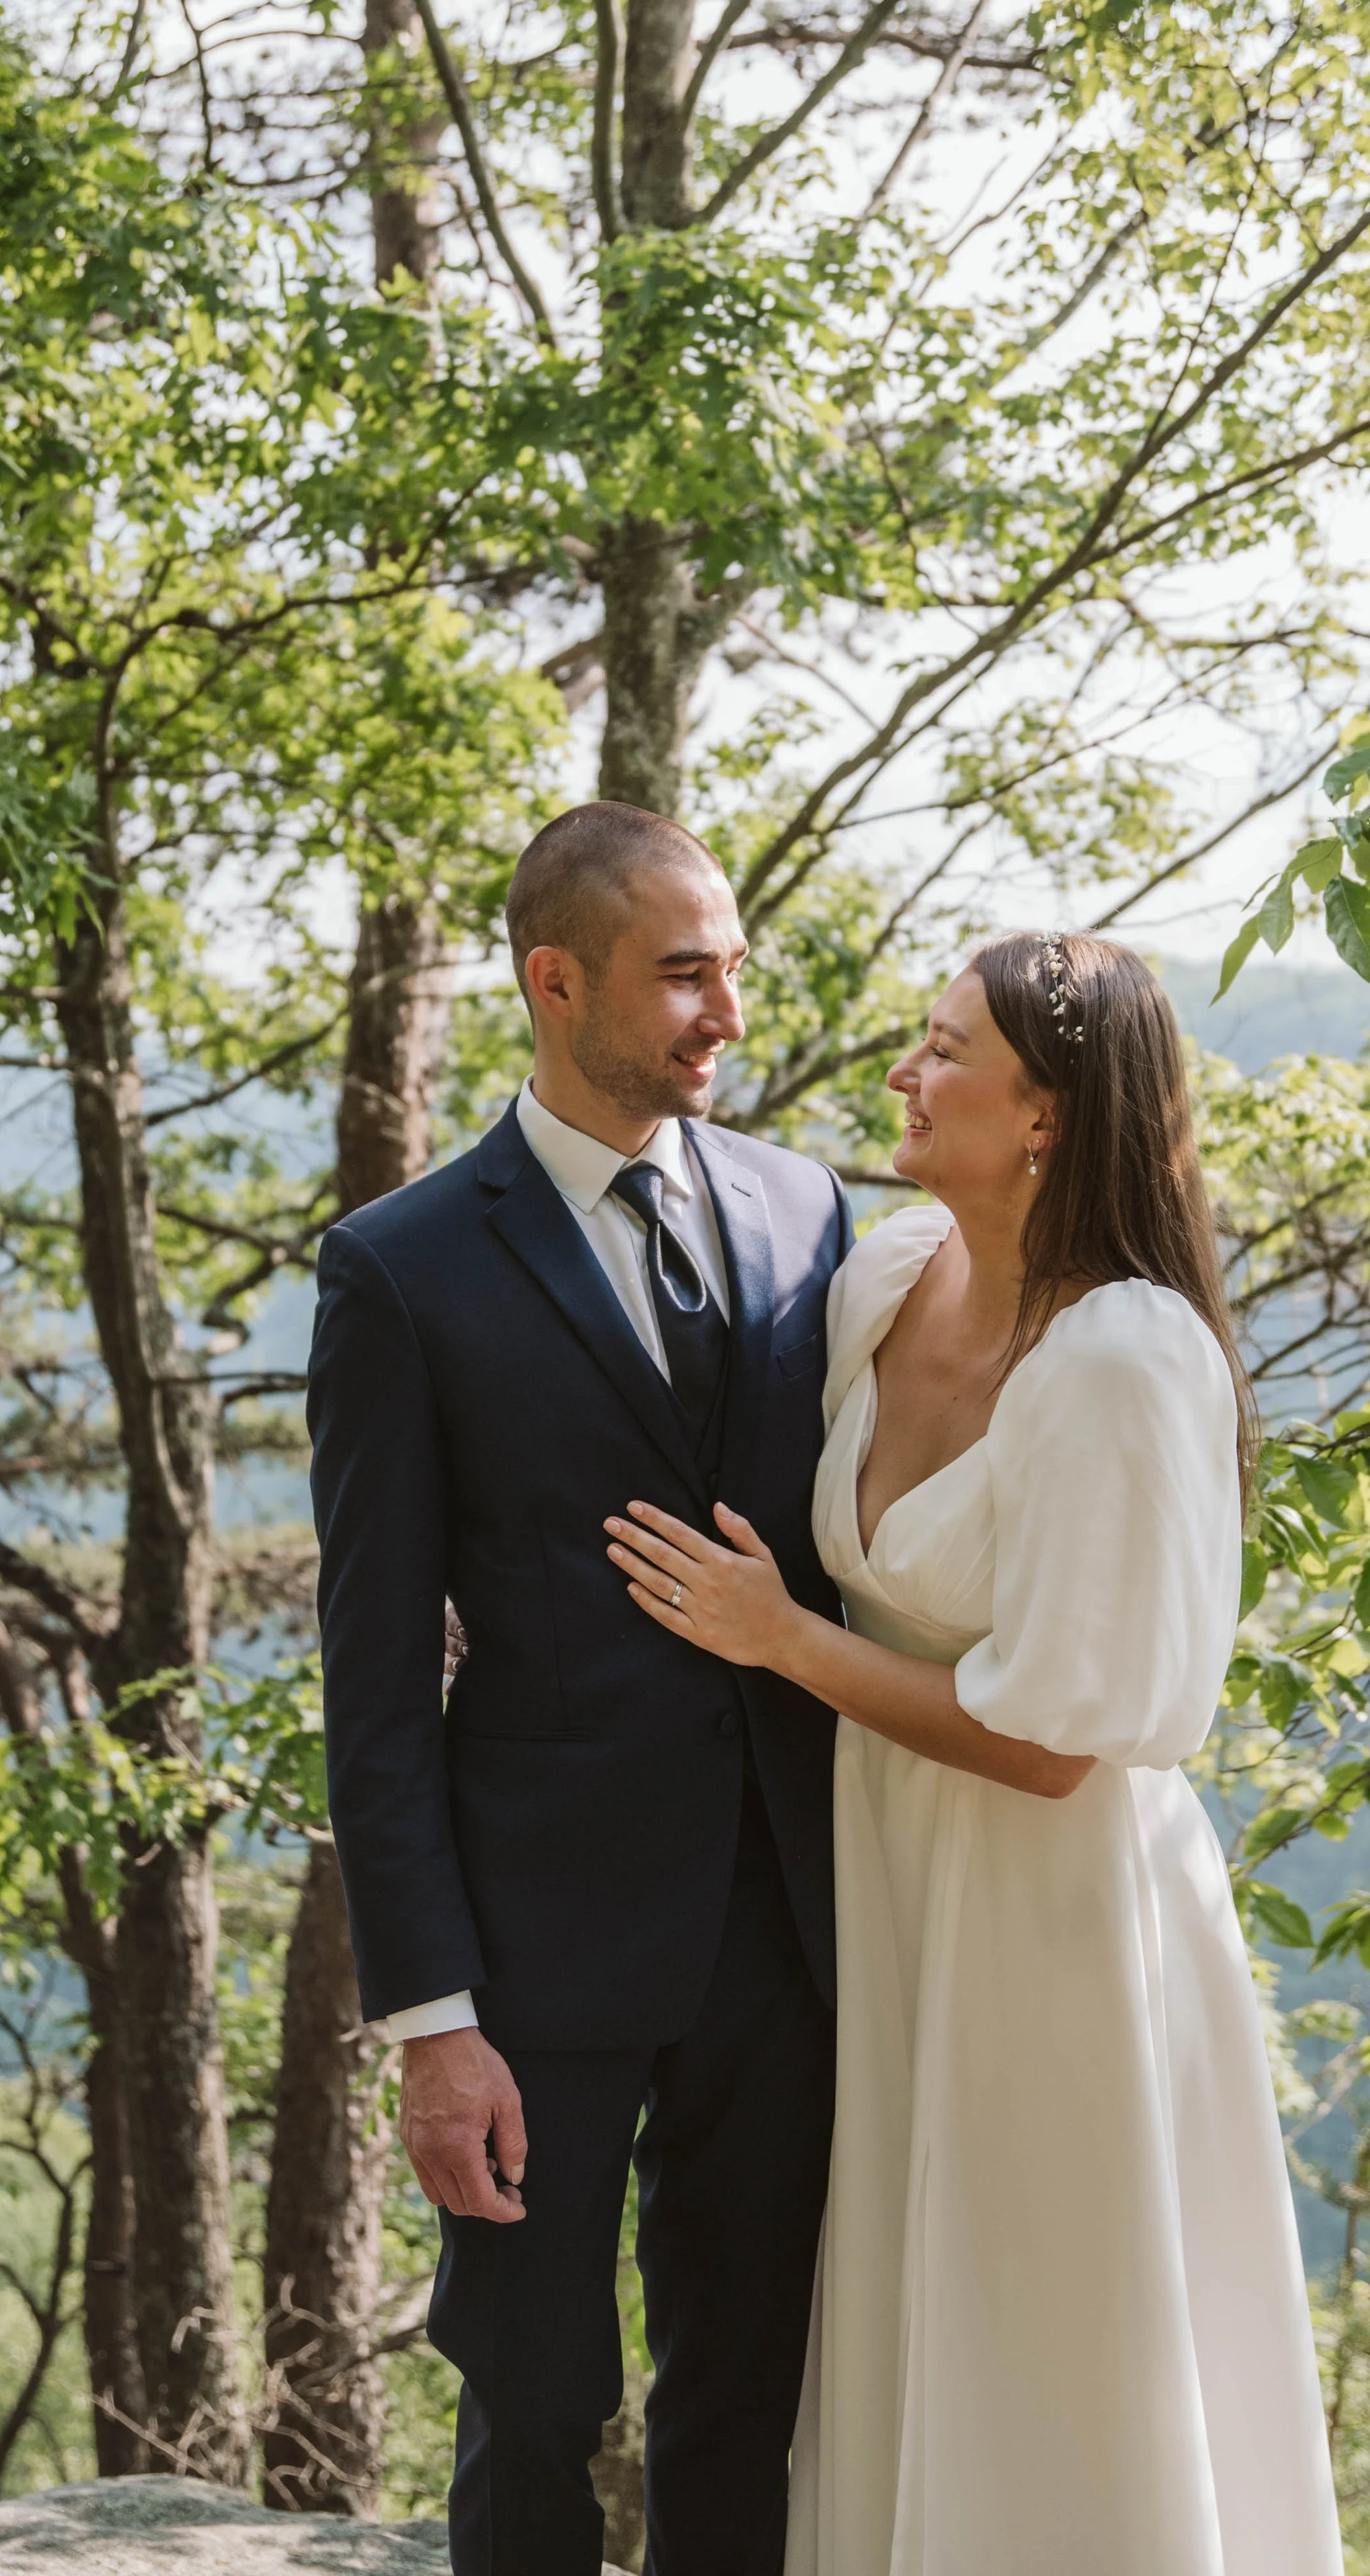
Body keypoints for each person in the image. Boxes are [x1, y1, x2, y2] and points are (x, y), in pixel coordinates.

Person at [608, 930, 1345, 2576]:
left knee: (1045, 2320)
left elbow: (1054, 1753)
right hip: (874, 1872)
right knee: (895, 2300)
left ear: (1045, 1117)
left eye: (944, 1051)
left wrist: (786, 1643)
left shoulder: (1124, 1358)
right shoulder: (886, 1275)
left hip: (1046, 1910)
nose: (901, 1073)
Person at [306, 801, 850, 2576]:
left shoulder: (806, 1204)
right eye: (683, 973)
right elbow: (375, 1681)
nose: (725, 1012)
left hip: (784, 1927)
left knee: (744, 2394)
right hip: (533, 1953)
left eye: (734, 970)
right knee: (537, 2404)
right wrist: (430, 2017)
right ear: (557, 982)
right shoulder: (399, 1266)